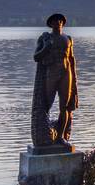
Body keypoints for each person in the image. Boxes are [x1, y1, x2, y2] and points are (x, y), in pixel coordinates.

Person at [31, 13, 79, 150]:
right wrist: (46, 47)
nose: (58, 22)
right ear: (51, 24)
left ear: (63, 23)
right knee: (46, 105)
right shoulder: (45, 38)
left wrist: (74, 82)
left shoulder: (68, 39)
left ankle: (61, 137)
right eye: (55, 20)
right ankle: (45, 134)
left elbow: (71, 59)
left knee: (65, 107)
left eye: (60, 20)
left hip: (66, 74)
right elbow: (36, 57)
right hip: (51, 73)